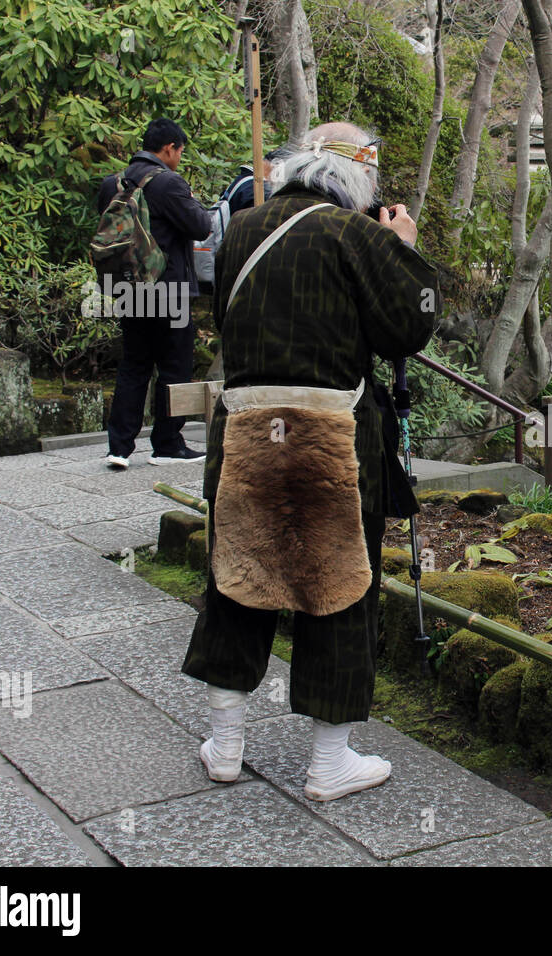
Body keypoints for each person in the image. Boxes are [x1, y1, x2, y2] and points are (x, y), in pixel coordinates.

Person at [181, 121, 439, 801]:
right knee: (340, 583)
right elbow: (407, 329)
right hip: (335, 433)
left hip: (245, 426)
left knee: (239, 573)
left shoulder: (241, 228)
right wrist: (402, 248)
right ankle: (329, 762)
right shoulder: (356, 236)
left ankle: (226, 747)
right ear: (361, 179)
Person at [97, 118, 212, 469]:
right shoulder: (168, 183)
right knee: (173, 366)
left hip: (127, 287)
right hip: (168, 289)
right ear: (169, 149)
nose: (179, 158)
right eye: (180, 151)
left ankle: (119, 447)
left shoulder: (111, 183)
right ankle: (167, 443)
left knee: (133, 364)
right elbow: (202, 226)